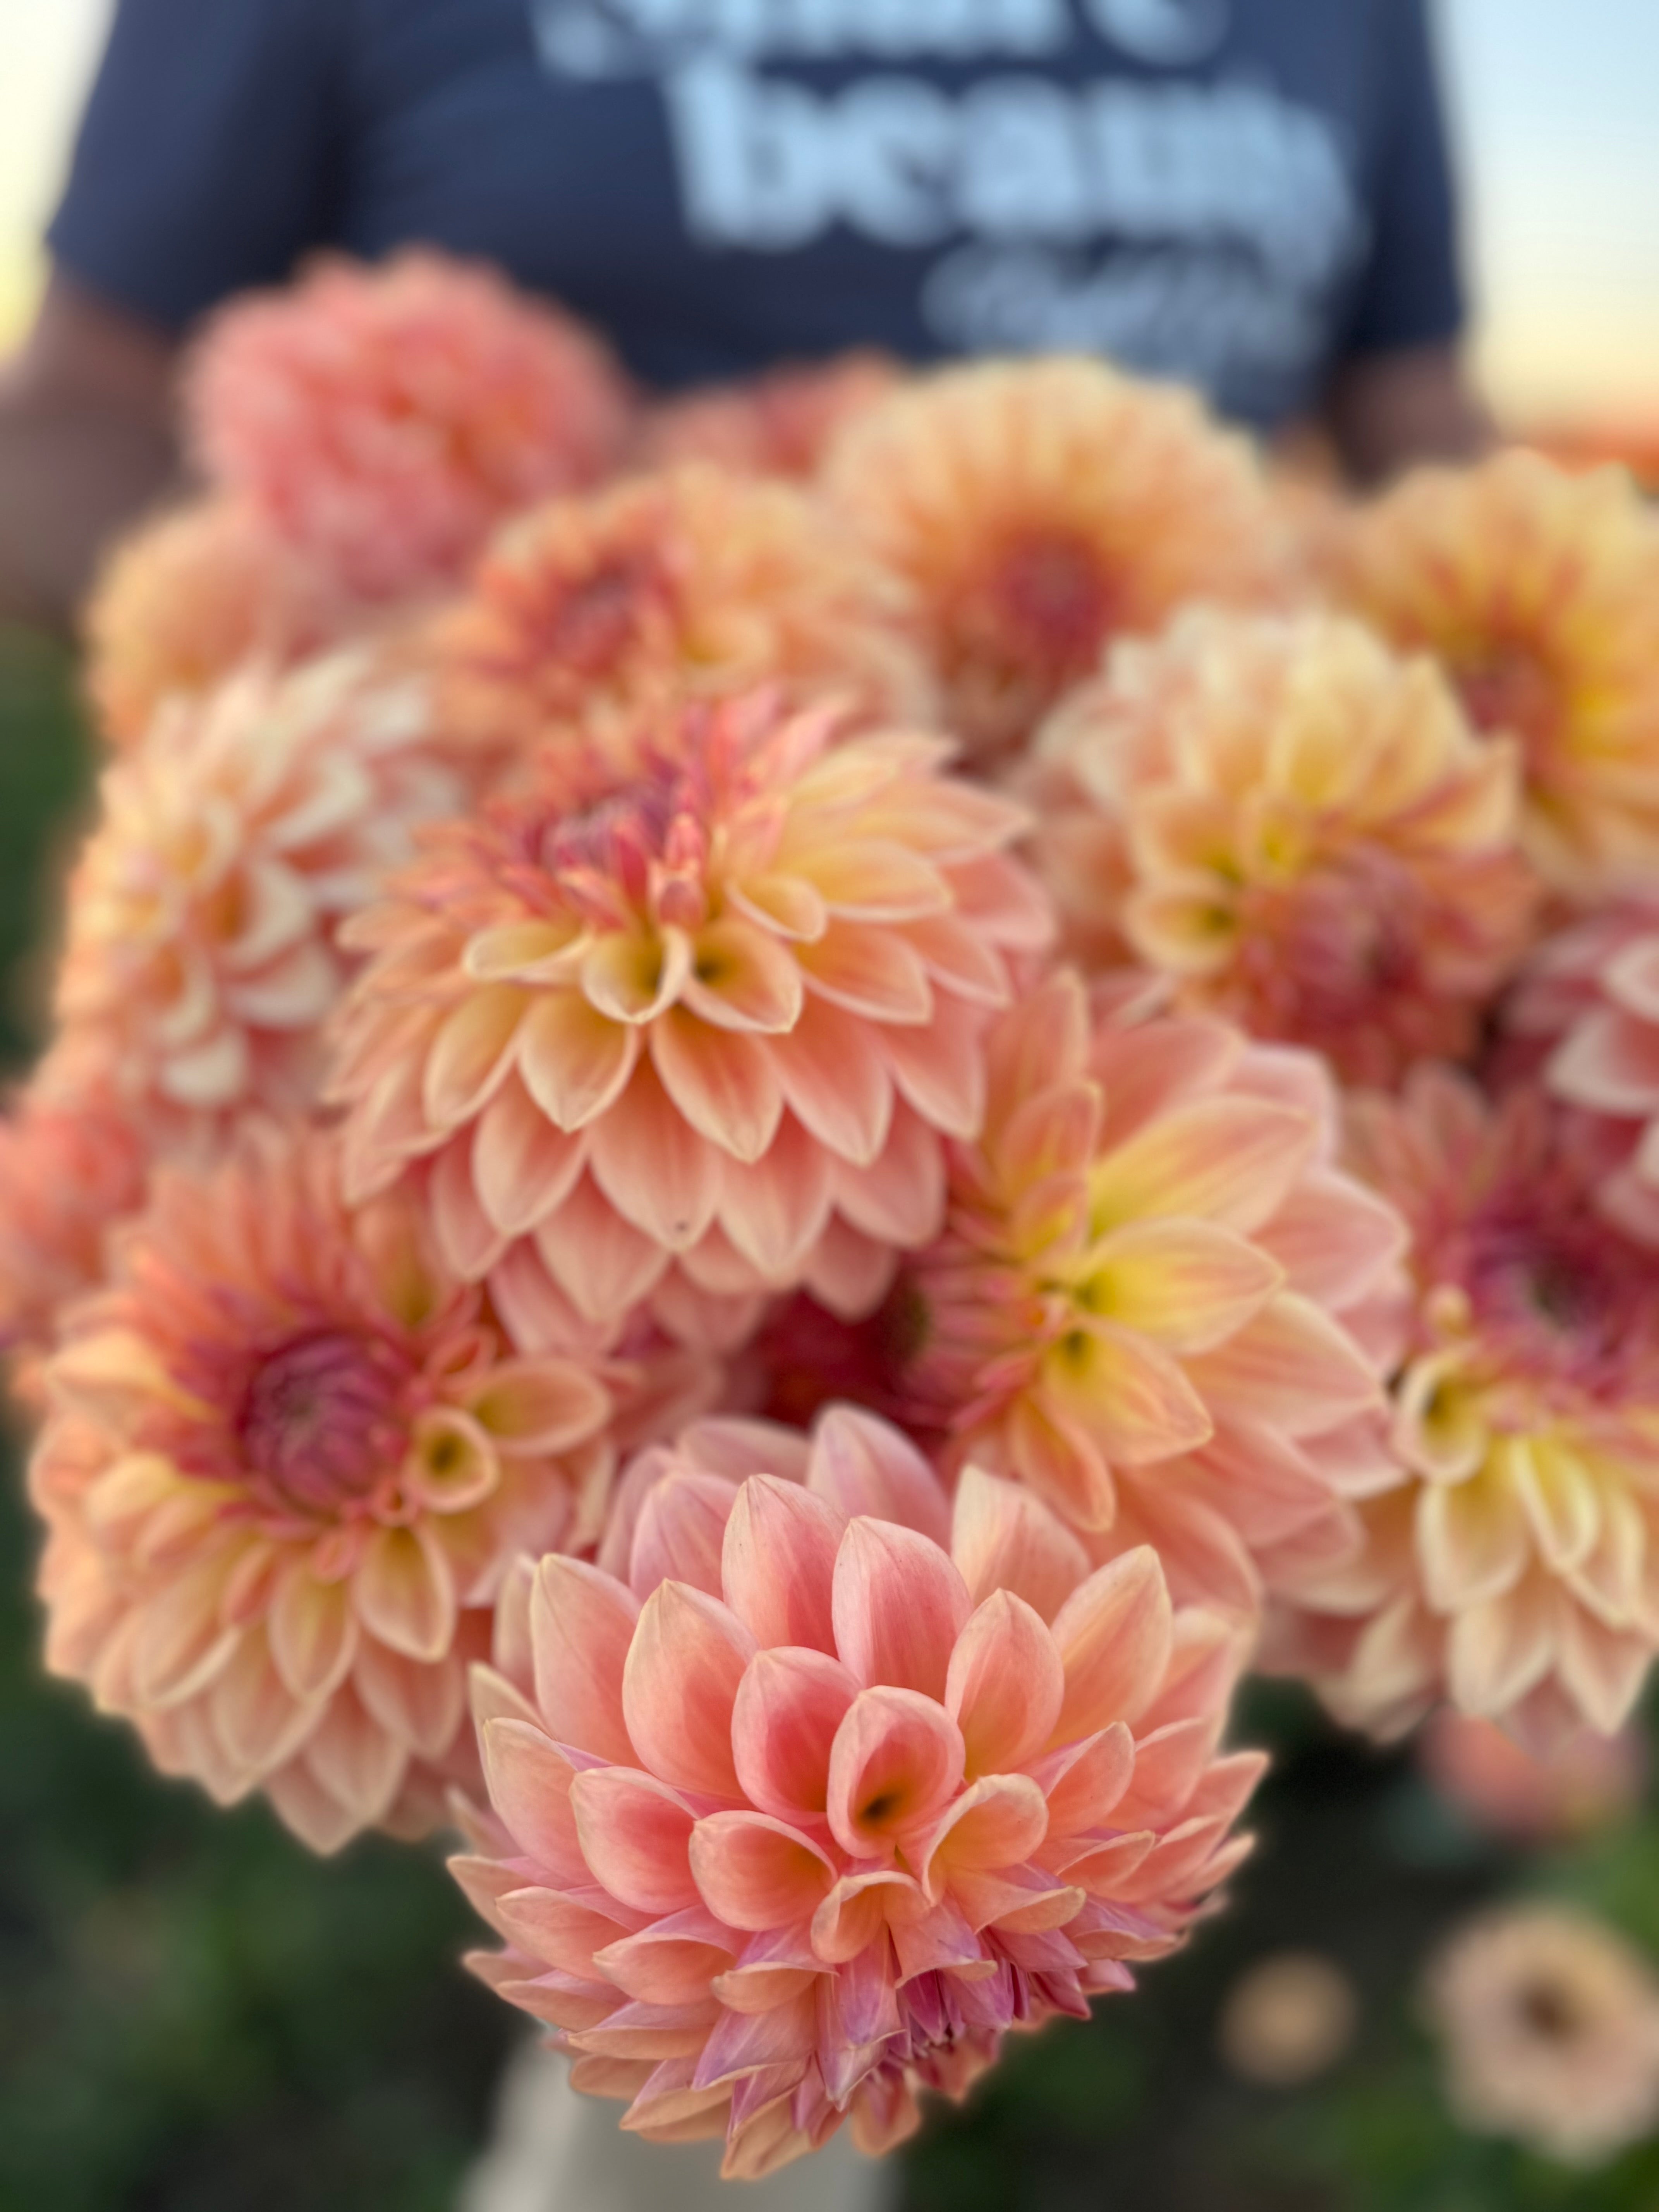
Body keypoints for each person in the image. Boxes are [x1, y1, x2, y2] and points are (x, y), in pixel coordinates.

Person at [0, 0, 1488, 621]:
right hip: (545, 889)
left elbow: (1419, 433)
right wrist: (385, 667)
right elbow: (75, 422)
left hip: (1192, 898)